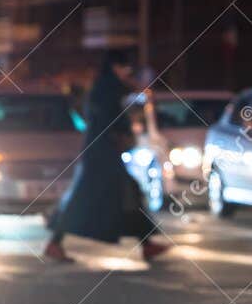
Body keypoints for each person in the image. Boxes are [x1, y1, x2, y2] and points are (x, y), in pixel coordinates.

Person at [44, 52, 172, 264]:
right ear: (115, 67)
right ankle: (55, 241)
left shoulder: (104, 88)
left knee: (123, 194)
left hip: (101, 152)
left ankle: (146, 242)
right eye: (123, 68)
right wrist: (123, 131)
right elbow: (111, 119)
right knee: (101, 196)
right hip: (102, 153)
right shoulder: (107, 89)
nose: (126, 73)